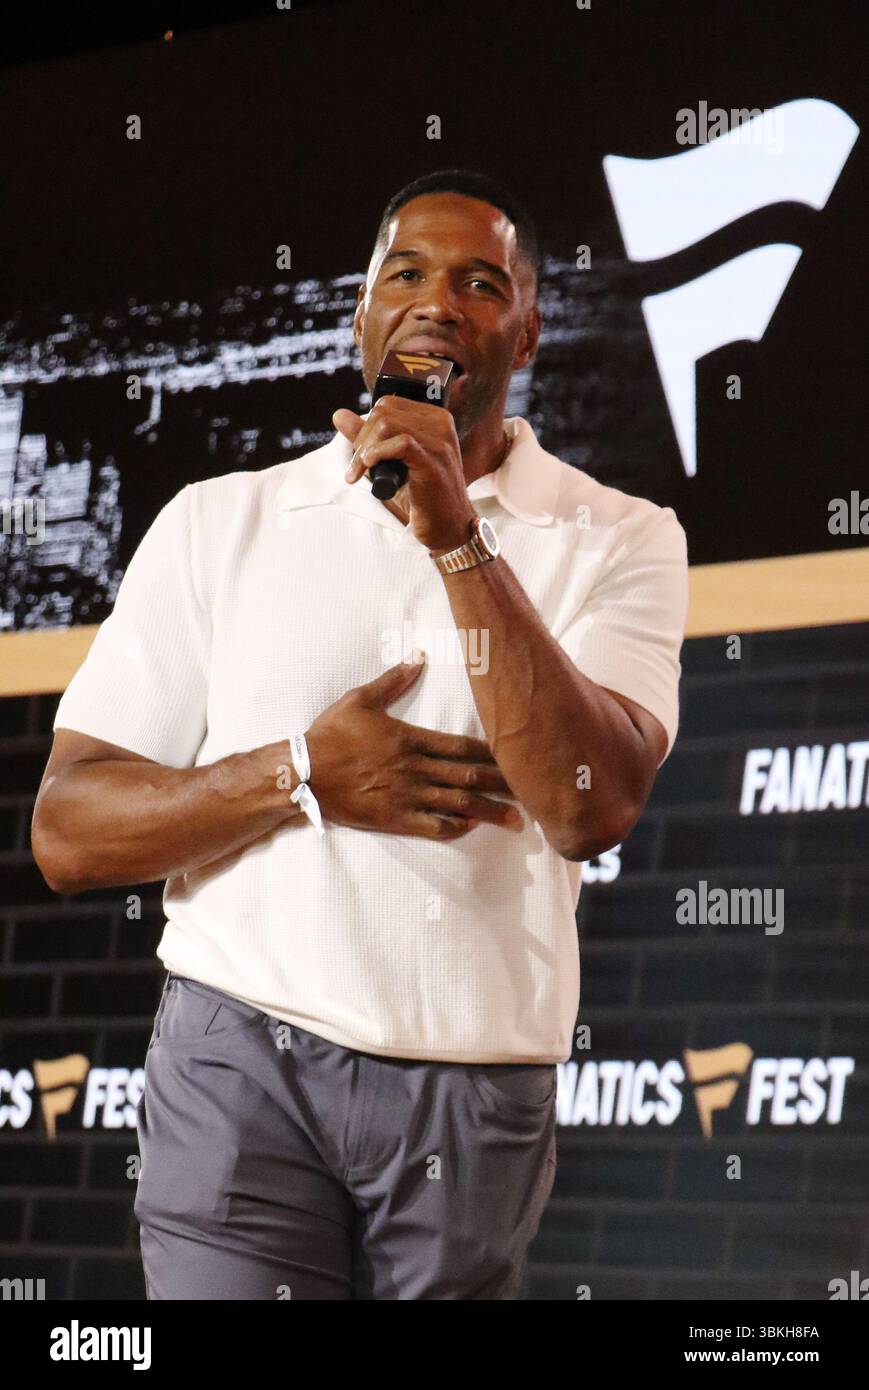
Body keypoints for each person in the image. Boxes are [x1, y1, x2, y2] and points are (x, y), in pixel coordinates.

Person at [31, 167, 688, 1299]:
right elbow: (68, 832)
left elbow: (588, 804)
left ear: (524, 335)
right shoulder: (219, 520)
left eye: (481, 283)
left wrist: (456, 536)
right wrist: (299, 775)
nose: (438, 299)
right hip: (239, 1064)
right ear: (361, 317)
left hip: (471, 1091)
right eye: (407, 272)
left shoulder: (620, 537)